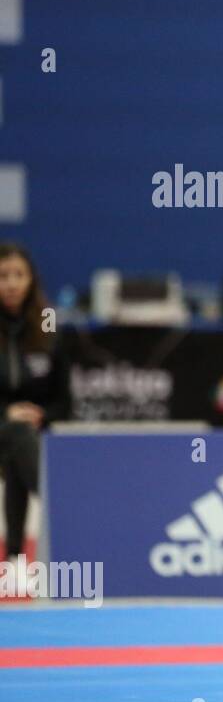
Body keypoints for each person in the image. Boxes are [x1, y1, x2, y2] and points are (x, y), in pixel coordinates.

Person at [0, 243, 70, 572]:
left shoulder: (47, 324)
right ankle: (63, 507)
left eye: (19, 275)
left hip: (30, 433)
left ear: (31, 280)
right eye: (3, 276)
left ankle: (13, 559)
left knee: (21, 436)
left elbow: (65, 400)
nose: (11, 283)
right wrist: (5, 414)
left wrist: (44, 415)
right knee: (17, 433)